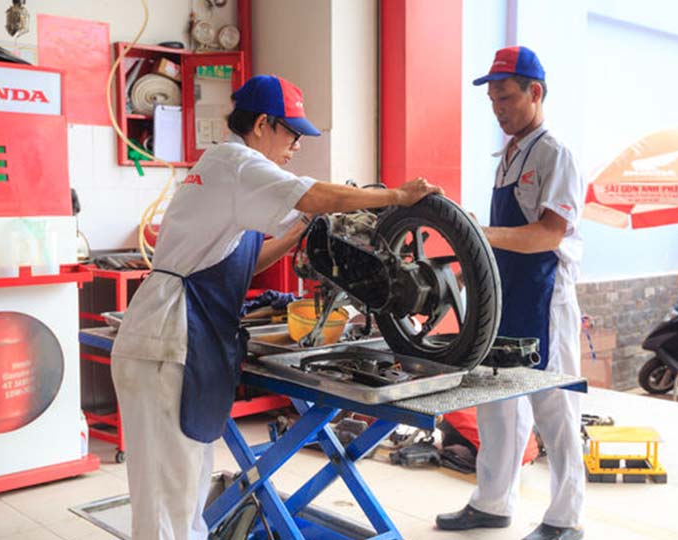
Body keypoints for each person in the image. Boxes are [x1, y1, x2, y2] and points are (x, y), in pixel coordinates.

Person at [110, 74, 442, 540]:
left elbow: (240, 263)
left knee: (182, 492)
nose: (296, 146)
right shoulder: (237, 163)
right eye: (293, 133)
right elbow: (313, 193)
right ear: (264, 123)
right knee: (167, 501)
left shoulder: (229, 171)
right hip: (169, 340)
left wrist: (298, 232)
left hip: (177, 338)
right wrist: (397, 196)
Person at [435, 46, 586, 540]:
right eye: (492, 99)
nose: (498, 107)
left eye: (505, 97)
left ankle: (566, 518)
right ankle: (493, 503)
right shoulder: (509, 156)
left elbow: (548, 234)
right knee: (496, 401)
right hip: (505, 293)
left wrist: (481, 235)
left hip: (545, 296)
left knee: (553, 407)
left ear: (534, 92)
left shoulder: (553, 154)